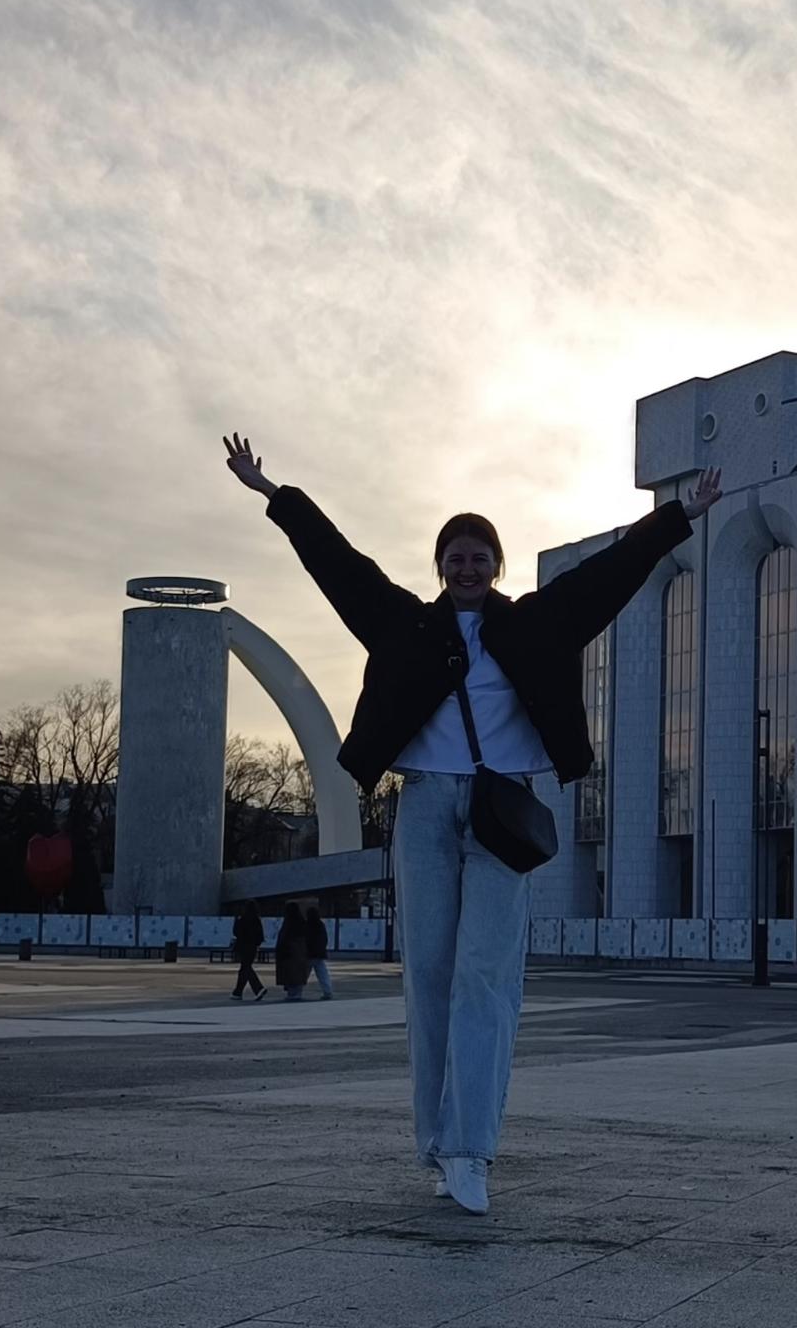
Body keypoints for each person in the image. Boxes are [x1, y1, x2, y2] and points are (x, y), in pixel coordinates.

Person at [223, 431, 720, 1215]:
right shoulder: (401, 624)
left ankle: (469, 1150)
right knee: (429, 974)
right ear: (439, 567)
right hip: (423, 804)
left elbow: (609, 576)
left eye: (479, 555)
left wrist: (676, 517)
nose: (466, 567)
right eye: (454, 556)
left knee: (487, 977)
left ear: (498, 566)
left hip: (501, 812)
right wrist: (271, 493)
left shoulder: (534, 623)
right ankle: (435, 1136)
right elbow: (338, 563)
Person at [275, 899, 312, 1002]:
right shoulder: (301, 922)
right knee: (298, 973)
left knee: (290, 973)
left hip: (289, 951)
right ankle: (297, 992)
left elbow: (283, 938)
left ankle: (291, 992)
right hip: (300, 952)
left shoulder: (287, 923)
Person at [230, 904, 267, 1002]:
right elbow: (260, 936)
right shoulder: (257, 920)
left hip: (243, 946)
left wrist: (236, 919)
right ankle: (237, 992)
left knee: (246, 968)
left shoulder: (242, 919)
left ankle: (258, 988)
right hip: (253, 948)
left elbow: (236, 932)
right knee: (244, 969)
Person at [306, 898, 334, 1000]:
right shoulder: (320, 924)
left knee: (304, 973)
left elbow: (306, 939)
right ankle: (328, 992)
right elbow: (324, 939)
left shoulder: (307, 925)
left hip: (309, 954)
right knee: (322, 974)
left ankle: (296, 992)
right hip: (319, 953)